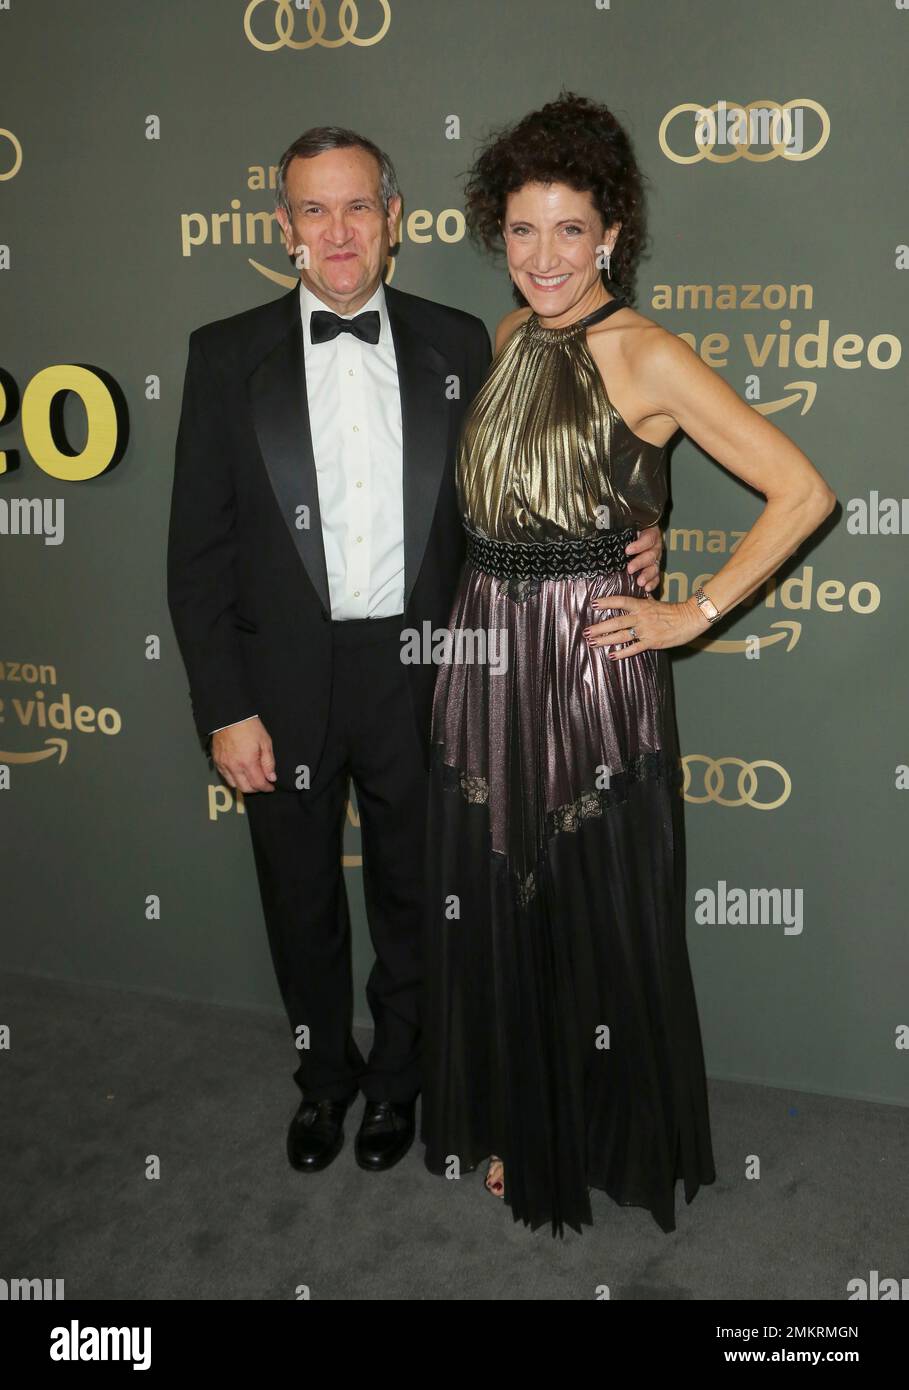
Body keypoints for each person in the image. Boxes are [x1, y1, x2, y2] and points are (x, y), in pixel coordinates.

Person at [166, 124, 667, 1179]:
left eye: (359, 207)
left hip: (434, 668)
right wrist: (225, 705)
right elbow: (197, 554)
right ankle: (324, 1081)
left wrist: (645, 528)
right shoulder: (224, 354)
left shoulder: (465, 341)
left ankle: (400, 1079)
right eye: (314, 209)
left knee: (416, 892)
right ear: (285, 228)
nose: (338, 230)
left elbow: (565, 456)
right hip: (281, 681)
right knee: (298, 900)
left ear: (395, 223)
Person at [420, 93, 836, 1236]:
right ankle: (523, 1117)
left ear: (611, 234)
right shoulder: (506, 339)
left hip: (585, 667)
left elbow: (802, 491)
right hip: (484, 649)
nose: (543, 257)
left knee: (591, 910)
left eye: (569, 231)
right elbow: (554, 478)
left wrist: (689, 609)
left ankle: (598, 1130)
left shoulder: (645, 349)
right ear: (495, 233)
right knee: (497, 900)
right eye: (520, 231)